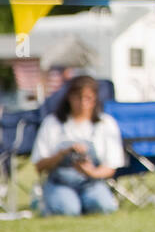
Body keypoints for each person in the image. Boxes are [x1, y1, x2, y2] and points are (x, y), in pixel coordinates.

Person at [30, 75, 124, 216]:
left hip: (92, 182)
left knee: (103, 207)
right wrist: (62, 154)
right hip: (60, 182)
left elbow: (111, 167)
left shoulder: (105, 124)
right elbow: (39, 166)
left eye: (88, 98)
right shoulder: (52, 123)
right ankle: (46, 201)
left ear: (95, 100)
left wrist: (90, 171)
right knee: (68, 210)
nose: (82, 103)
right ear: (69, 98)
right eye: (78, 97)